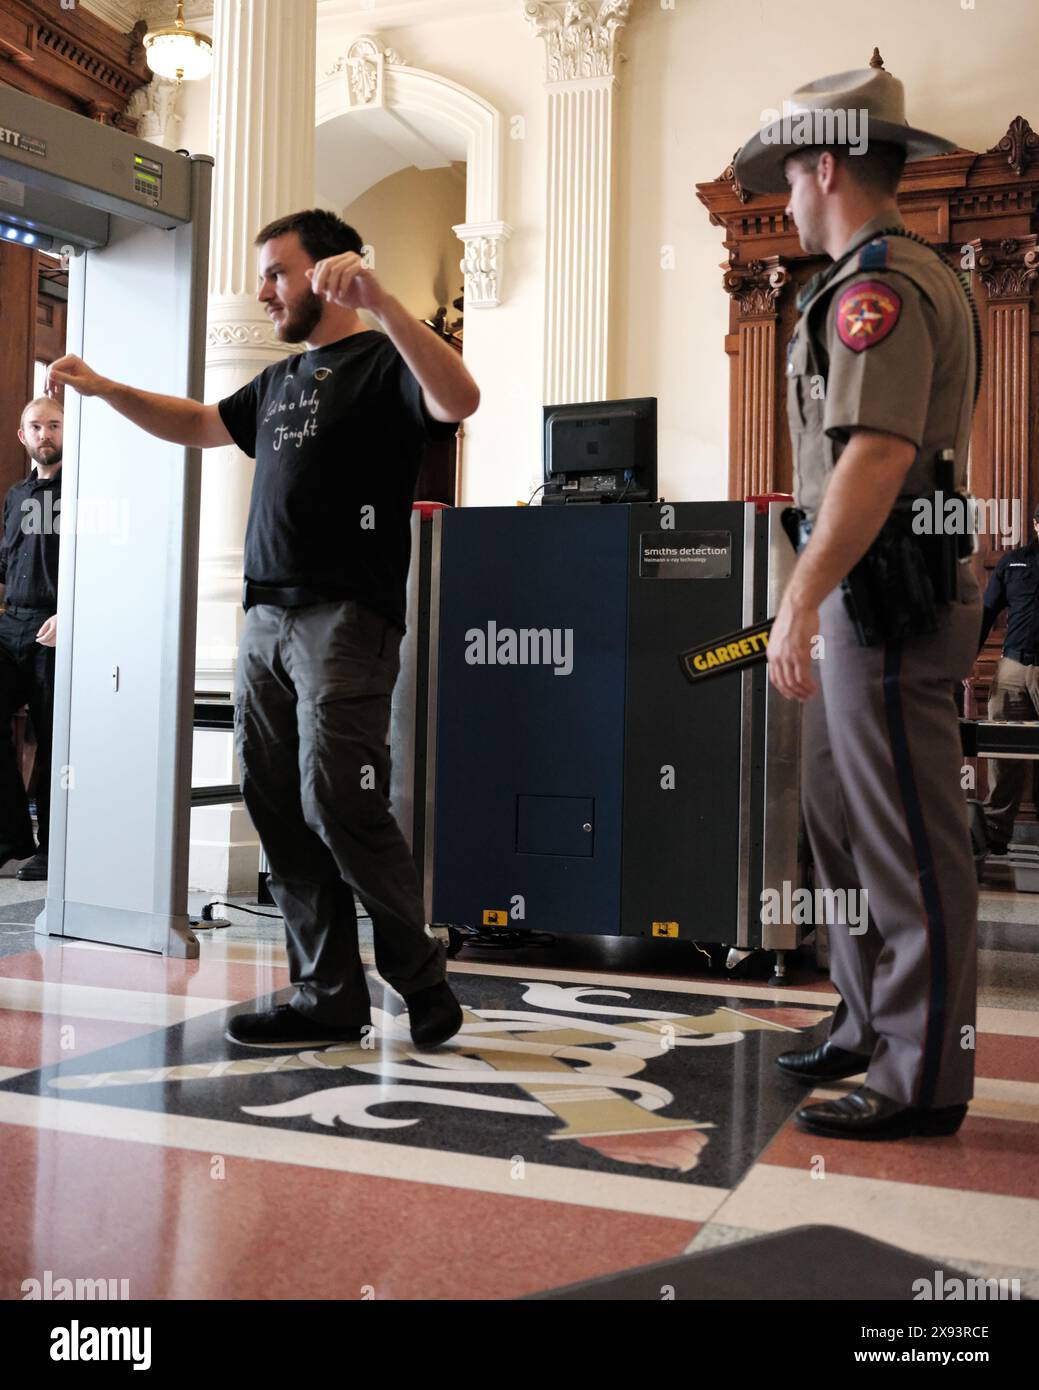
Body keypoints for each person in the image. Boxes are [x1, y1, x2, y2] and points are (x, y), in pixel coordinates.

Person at [47, 209, 480, 1051]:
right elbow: (201, 424)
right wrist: (105, 390)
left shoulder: (386, 361)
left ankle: (418, 975)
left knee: (337, 798)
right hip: (264, 616)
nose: (263, 290)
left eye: (276, 273)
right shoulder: (280, 382)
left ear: (326, 274)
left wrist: (386, 302)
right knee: (274, 800)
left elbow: (459, 399)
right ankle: (325, 995)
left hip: (344, 617)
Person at [734, 64, 982, 1139]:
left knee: (904, 841)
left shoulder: (882, 286)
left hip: (886, 595)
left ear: (825, 165)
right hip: (854, 596)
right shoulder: (850, 283)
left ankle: (922, 1071)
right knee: (838, 828)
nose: (783, 201)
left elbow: (875, 458)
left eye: (789, 179)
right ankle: (867, 1019)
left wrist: (796, 601)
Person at [0, 397, 62, 882]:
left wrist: (73, 613)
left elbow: (103, 563)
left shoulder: (86, 491)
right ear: (23, 436)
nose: (46, 434)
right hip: (11, 622)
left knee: (54, 736)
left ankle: (53, 847)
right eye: (37, 427)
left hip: (57, 626)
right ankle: (11, 837)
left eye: (55, 426)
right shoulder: (16, 494)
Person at [976, 506, 1039, 854]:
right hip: (1012, 668)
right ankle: (996, 835)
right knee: (1003, 752)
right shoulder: (1012, 562)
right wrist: (964, 659)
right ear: (1035, 524)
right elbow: (986, 612)